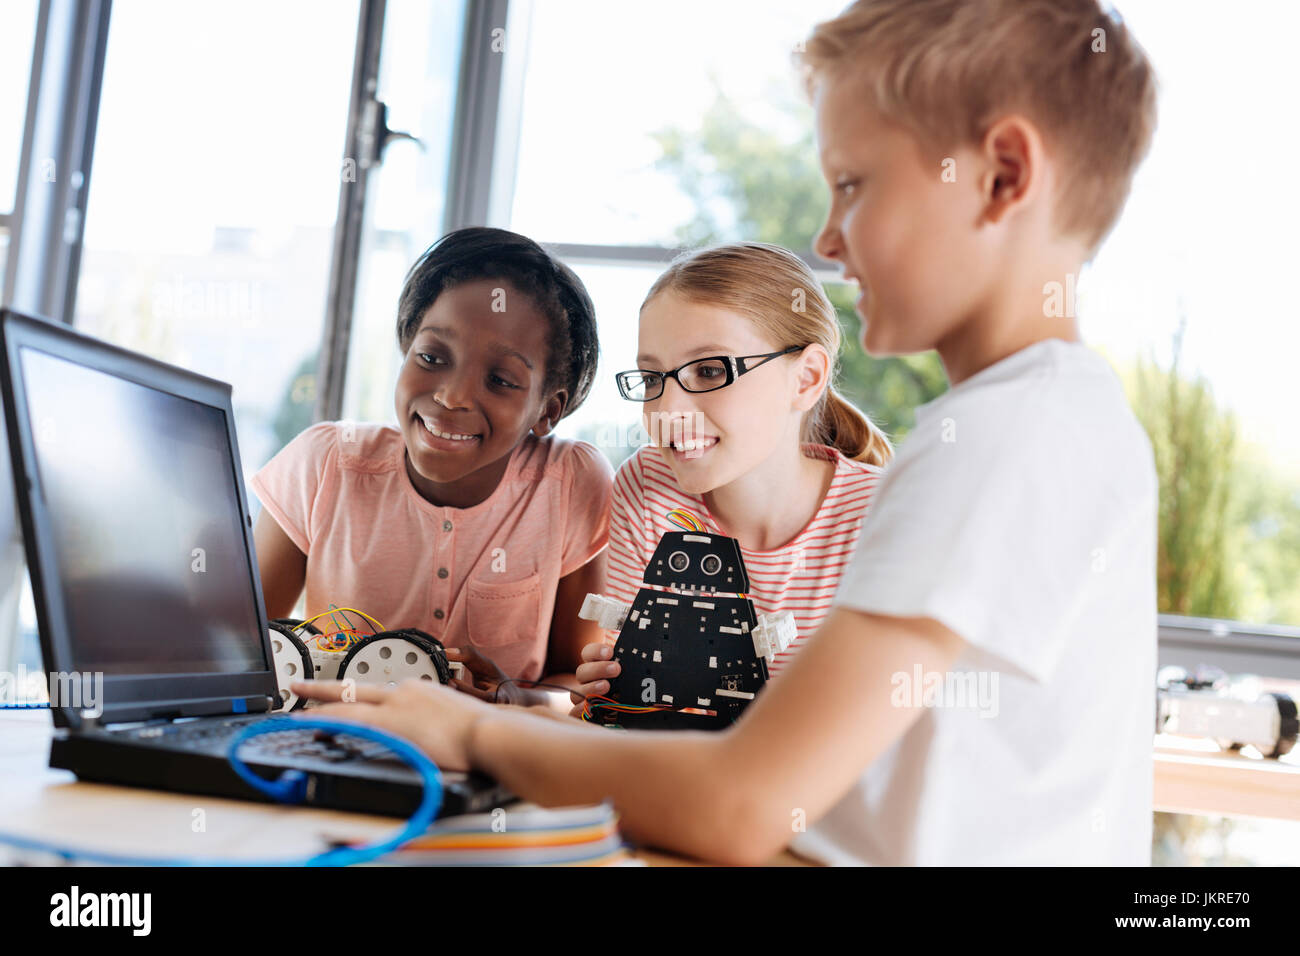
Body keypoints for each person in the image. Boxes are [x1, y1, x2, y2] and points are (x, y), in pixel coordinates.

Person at [295, 0, 1159, 865]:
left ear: (1003, 175)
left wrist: (471, 732)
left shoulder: (1005, 437)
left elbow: (742, 805)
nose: (827, 236)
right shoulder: (1057, 416)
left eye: (854, 184)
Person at [252, 227, 612, 704]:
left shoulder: (570, 484)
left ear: (548, 410)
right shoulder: (325, 464)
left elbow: (583, 688)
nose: (452, 395)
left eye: (501, 380)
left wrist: (514, 697)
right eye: (431, 356)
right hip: (331, 744)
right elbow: (239, 655)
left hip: (486, 760)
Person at [569, 241, 891, 712]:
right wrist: (612, 695)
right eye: (653, 378)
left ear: (805, 379)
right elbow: (638, 703)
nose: (667, 410)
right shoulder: (647, 485)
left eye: (709, 370)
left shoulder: (885, 515)